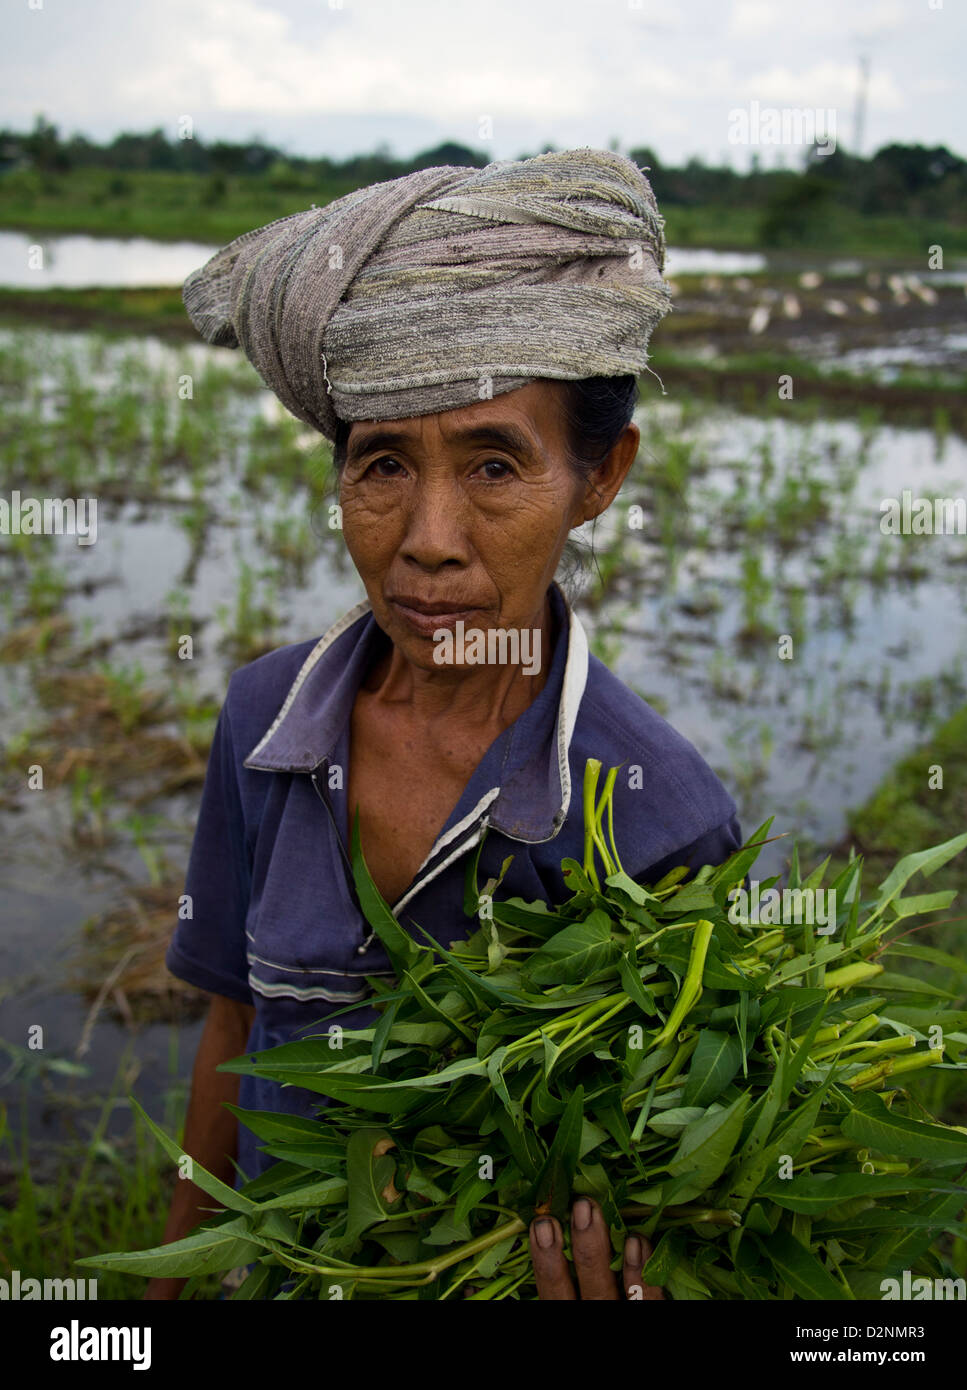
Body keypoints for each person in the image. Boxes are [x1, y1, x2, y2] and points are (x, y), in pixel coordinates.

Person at [146, 148, 742, 1301]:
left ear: (600, 475)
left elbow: (669, 1174)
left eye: (493, 465)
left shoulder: (665, 820)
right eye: (381, 465)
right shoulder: (266, 720)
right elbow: (234, 1029)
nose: (428, 538)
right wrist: (166, 1292)